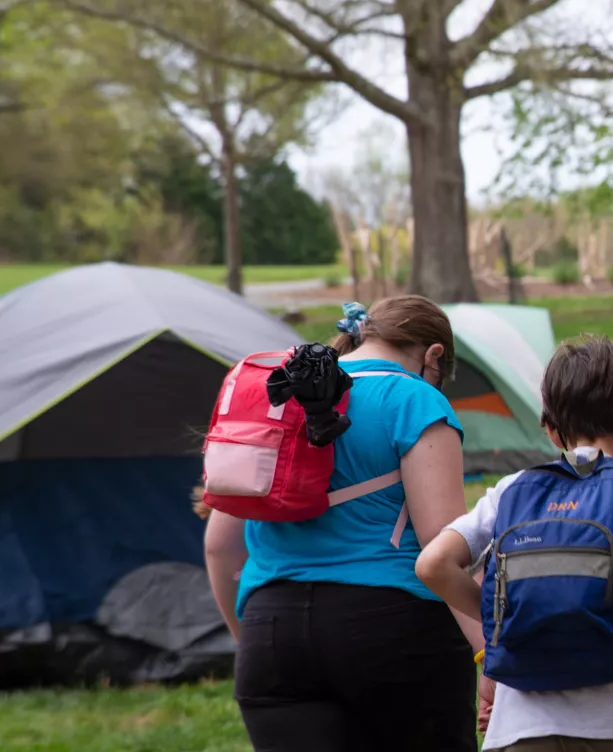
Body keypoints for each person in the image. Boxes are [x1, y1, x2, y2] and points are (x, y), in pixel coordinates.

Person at [416, 336, 613, 752]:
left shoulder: (513, 489)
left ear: (551, 430)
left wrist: (500, 623)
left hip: (523, 727)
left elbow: (433, 564)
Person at [203, 297, 481, 751]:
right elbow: (441, 544)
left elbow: (219, 546)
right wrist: (488, 649)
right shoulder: (415, 399)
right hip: (393, 631)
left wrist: (250, 636)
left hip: (271, 631)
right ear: (434, 357)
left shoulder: (282, 392)